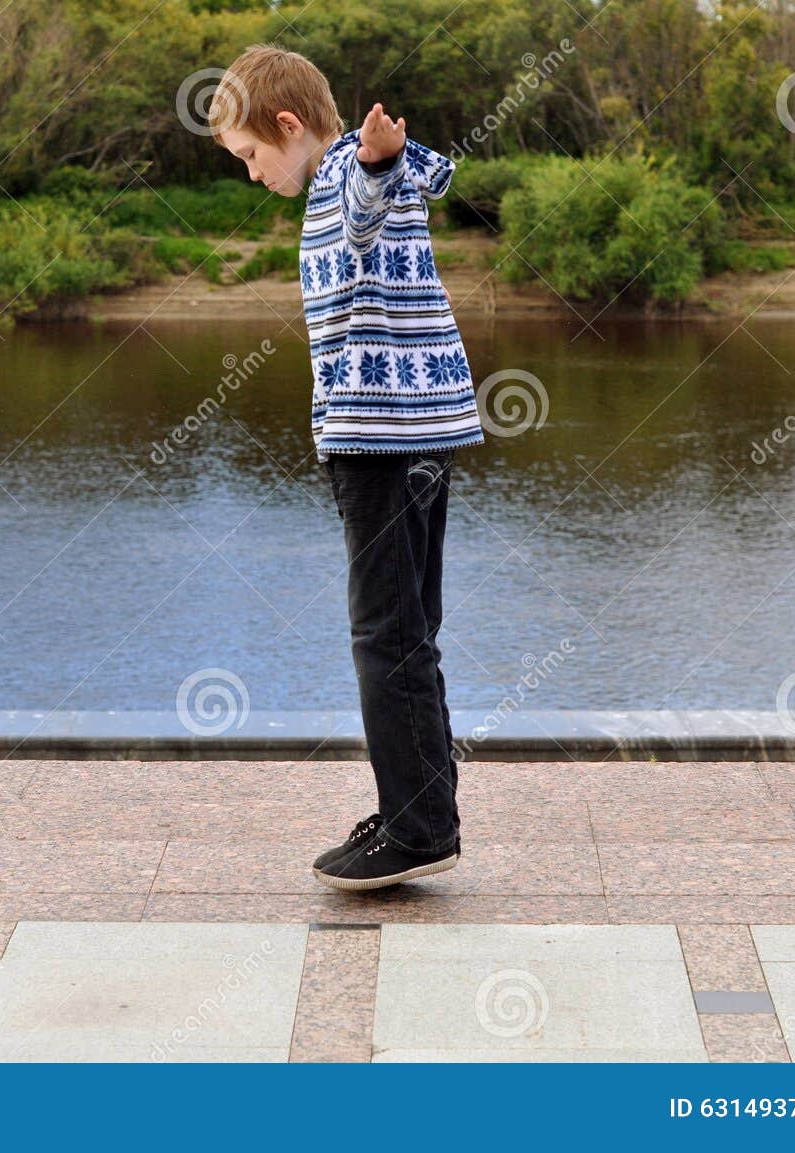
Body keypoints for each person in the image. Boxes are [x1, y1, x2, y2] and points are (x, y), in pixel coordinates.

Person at [209, 45, 484, 891]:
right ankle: (422, 811)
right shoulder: (369, 173)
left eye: (252, 157)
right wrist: (387, 160)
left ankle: (417, 825)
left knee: (383, 637)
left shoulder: (344, 179)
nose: (253, 176)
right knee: (411, 633)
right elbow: (408, 185)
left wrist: (375, 159)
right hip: (421, 435)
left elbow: (365, 203)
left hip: (380, 441)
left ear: (288, 126)